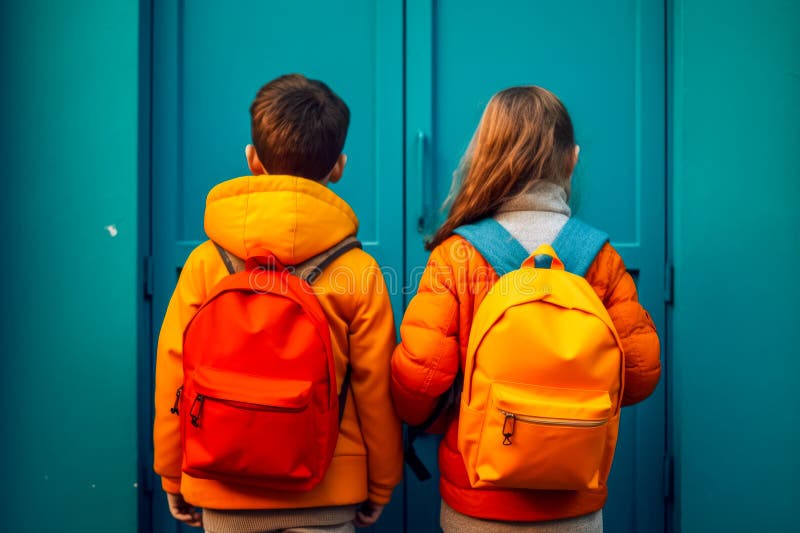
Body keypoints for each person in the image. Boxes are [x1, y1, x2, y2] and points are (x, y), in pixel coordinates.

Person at [390, 86, 661, 532]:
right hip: (574, 498)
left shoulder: (459, 255)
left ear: (485, 159)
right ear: (571, 159)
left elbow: (419, 380)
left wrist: (440, 417)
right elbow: (640, 373)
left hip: (478, 498)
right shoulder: (600, 258)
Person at [153, 73, 403, 532]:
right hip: (326, 486)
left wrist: (173, 472)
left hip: (222, 481)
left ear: (252, 160)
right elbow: (375, 392)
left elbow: (174, 370)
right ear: (338, 167)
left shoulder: (206, 262)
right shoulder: (357, 270)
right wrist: (382, 481)